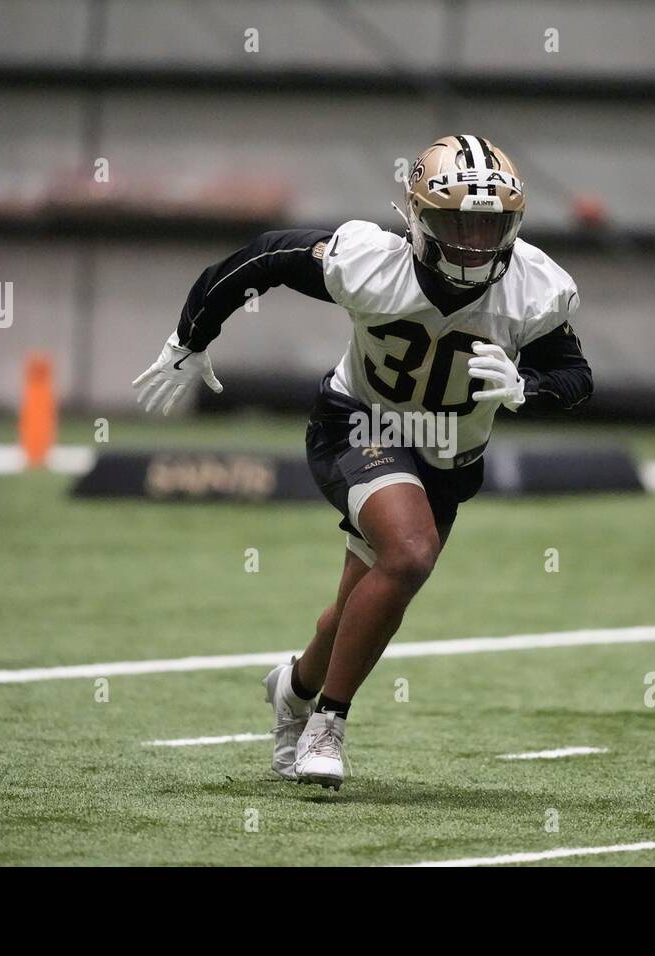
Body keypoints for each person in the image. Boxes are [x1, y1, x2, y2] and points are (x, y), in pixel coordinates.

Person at [134, 135, 592, 790]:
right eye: (456, 221)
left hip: (449, 457)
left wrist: (530, 388)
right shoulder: (371, 264)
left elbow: (574, 373)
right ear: (417, 218)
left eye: (487, 225)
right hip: (358, 424)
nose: (471, 241)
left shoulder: (535, 289)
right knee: (409, 553)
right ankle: (329, 722)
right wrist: (191, 335)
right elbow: (263, 259)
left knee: (358, 602)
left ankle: (293, 688)